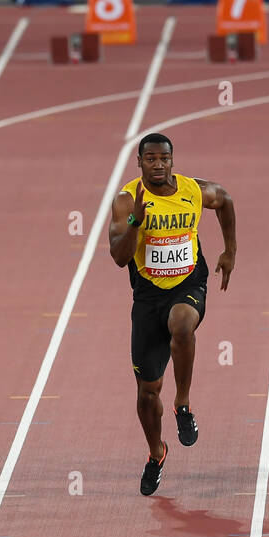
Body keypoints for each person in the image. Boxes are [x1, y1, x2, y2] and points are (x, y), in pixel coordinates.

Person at [107, 133, 236, 496]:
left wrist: (230, 251)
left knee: (183, 326)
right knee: (148, 394)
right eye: (151, 159)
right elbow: (118, 257)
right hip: (147, 298)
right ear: (140, 163)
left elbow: (224, 200)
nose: (158, 165)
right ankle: (156, 453)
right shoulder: (127, 200)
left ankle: (183, 404)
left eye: (164, 158)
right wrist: (136, 221)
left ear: (172, 161)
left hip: (188, 285)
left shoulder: (193, 191)